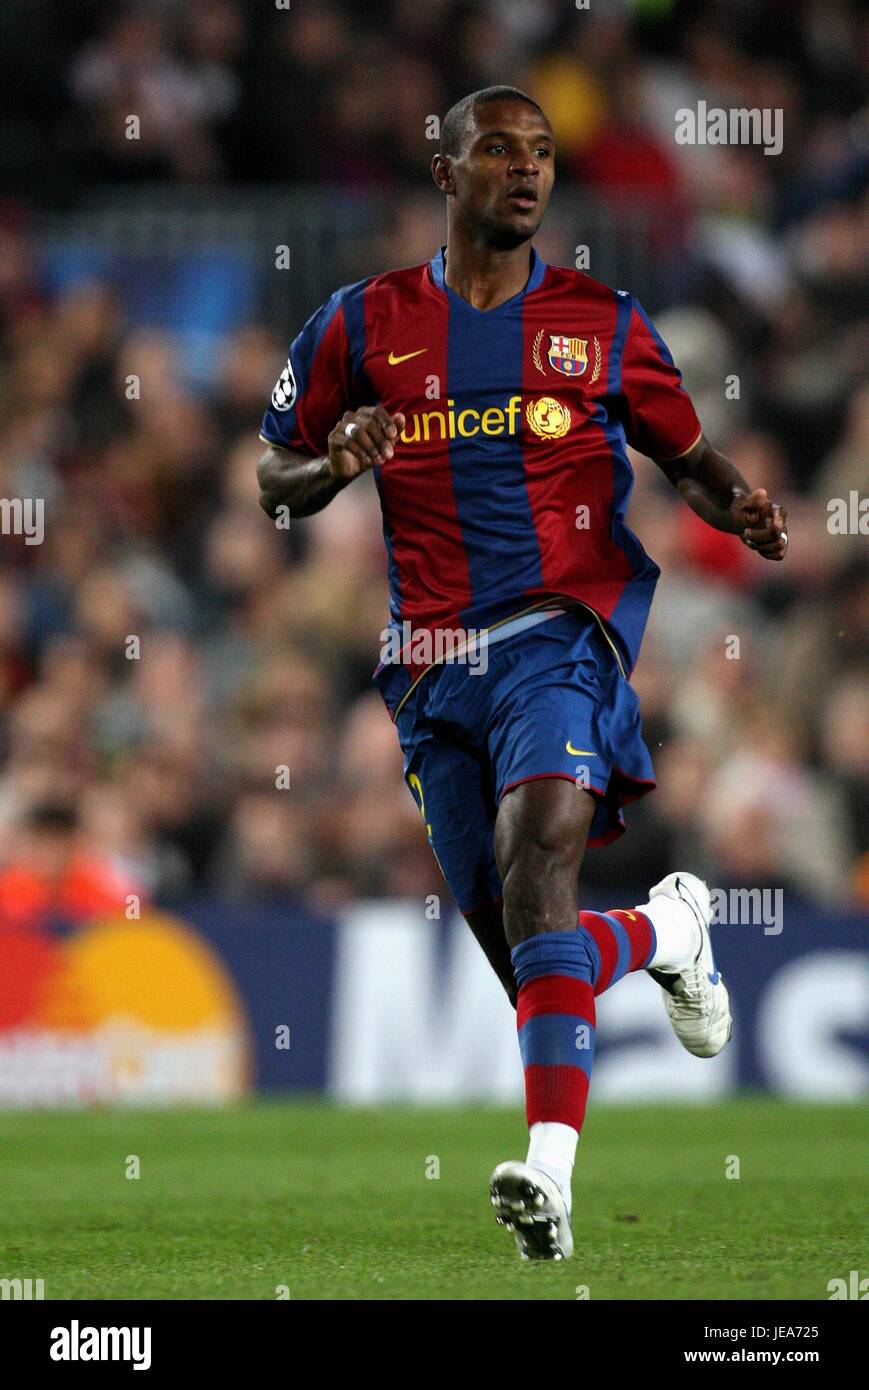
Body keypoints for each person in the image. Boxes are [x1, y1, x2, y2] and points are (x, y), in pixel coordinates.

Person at [257, 87, 788, 1261]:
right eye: (497, 150)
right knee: (530, 955)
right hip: (425, 670)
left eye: (542, 153)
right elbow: (272, 478)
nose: (527, 169)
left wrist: (734, 503)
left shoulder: (603, 320)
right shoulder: (360, 324)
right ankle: (665, 931)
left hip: (561, 631)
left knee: (537, 861)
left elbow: (687, 460)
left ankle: (546, 1178)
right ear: (444, 171)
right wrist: (332, 463)